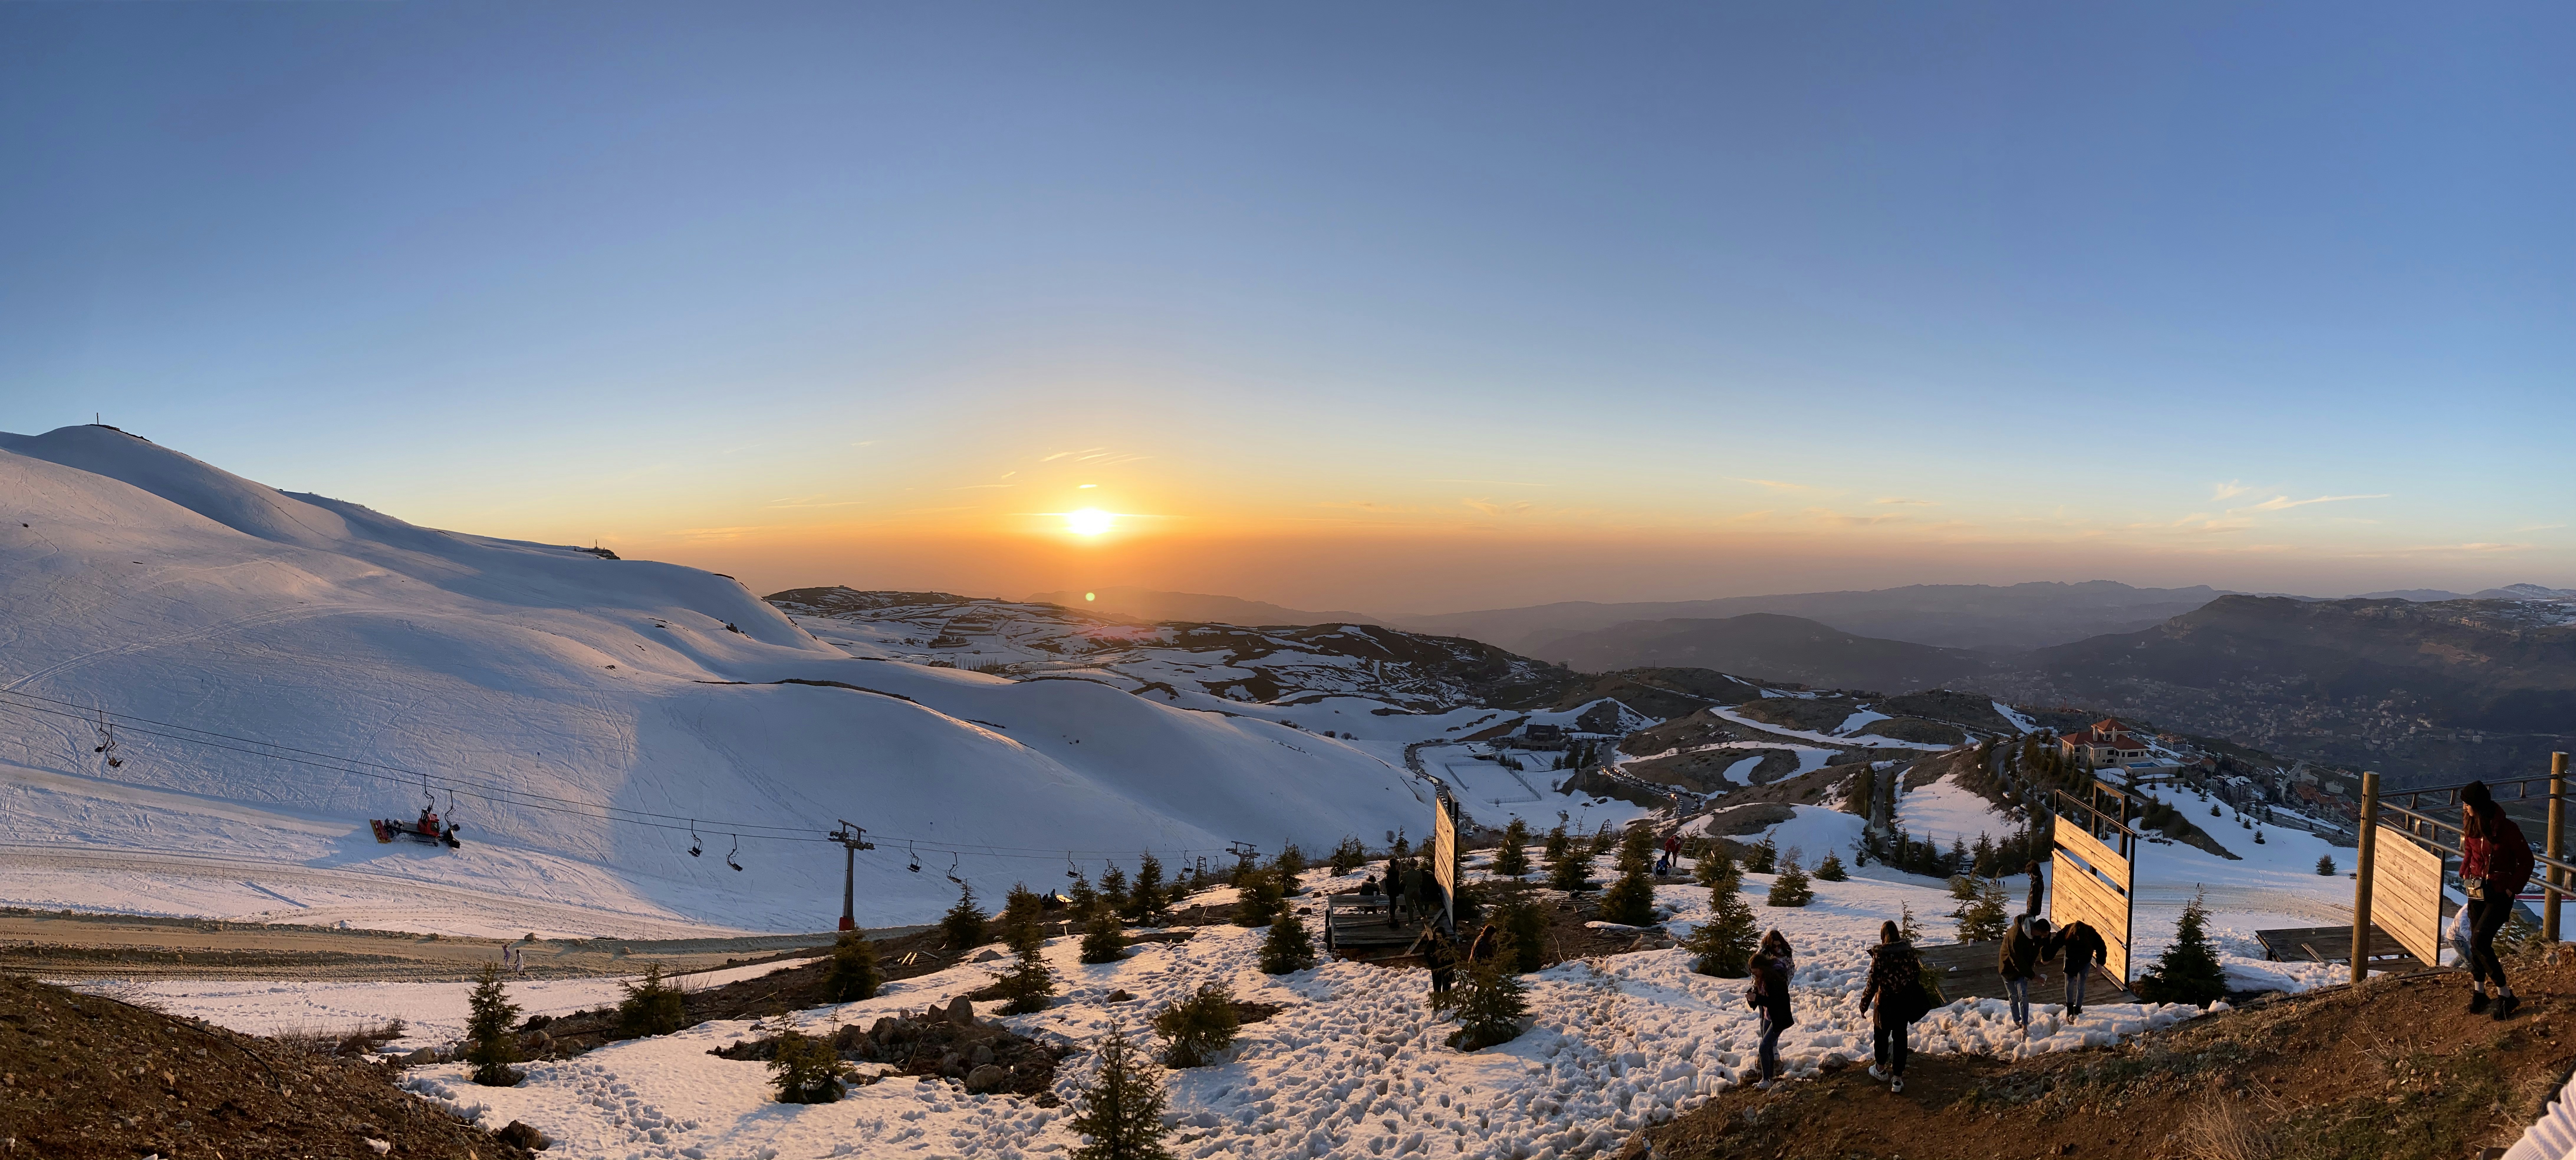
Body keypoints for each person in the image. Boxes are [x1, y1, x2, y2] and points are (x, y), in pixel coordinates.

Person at [2460, 781, 2535, 1019]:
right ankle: (2480, 993)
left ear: (2478, 805)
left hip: (2499, 893)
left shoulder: (2508, 830)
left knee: (2481, 940)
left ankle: (2506, 995)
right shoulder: (2472, 823)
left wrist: (2512, 890)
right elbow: (2470, 852)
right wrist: (2465, 870)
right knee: (2474, 942)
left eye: (2467, 803)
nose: (2464, 808)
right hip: (2476, 890)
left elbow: (2527, 862)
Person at [1858, 920, 1922, 1093]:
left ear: (1883, 936)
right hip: (1903, 1001)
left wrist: (1864, 1004)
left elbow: (1873, 983)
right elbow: (1916, 972)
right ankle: (1898, 1080)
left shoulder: (1881, 955)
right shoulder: (1908, 953)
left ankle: (1880, 1069)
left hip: (1885, 1003)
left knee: (1881, 1035)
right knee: (1901, 1037)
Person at [1746, 930, 1796, 1089]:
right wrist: (1752, 999)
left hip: (1779, 1017)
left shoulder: (1775, 980)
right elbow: (1760, 999)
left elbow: (1776, 1002)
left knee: (1764, 1047)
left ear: (1761, 969)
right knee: (1765, 1046)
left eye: (1755, 973)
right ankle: (1769, 1078)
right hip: (1769, 1015)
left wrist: (1758, 999)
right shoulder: (1761, 980)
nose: (1754, 976)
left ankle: (1767, 1080)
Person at [1998, 910, 2054, 1032]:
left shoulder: (2037, 934)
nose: (2044, 938)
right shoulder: (2016, 936)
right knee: (2013, 997)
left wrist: (2046, 957)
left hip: (2023, 969)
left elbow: (2045, 941)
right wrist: (2034, 976)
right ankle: (2016, 1020)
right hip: (2008, 968)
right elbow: (2017, 961)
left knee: (2023, 996)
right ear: (2038, 932)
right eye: (2044, 935)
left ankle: (2025, 1025)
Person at [2056, 919, 2107, 1019]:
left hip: (2085, 962)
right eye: (2076, 937)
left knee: (2081, 985)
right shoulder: (2068, 930)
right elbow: (2056, 942)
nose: (2078, 939)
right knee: (2069, 983)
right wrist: (2047, 956)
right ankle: (2070, 1010)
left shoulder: (2091, 934)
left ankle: (2078, 1009)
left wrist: (2100, 963)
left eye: (2080, 938)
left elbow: (2102, 947)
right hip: (2071, 960)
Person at [1424, 930, 1458, 996]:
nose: (1439, 939)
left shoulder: (1447, 945)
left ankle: (1446, 1005)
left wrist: (1450, 966)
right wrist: (1432, 965)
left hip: (1446, 970)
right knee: (1437, 989)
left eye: (1441, 937)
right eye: (1437, 937)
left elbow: (1453, 957)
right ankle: (1437, 1005)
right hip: (1436, 970)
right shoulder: (1432, 944)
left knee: (1447, 989)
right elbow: (1427, 954)